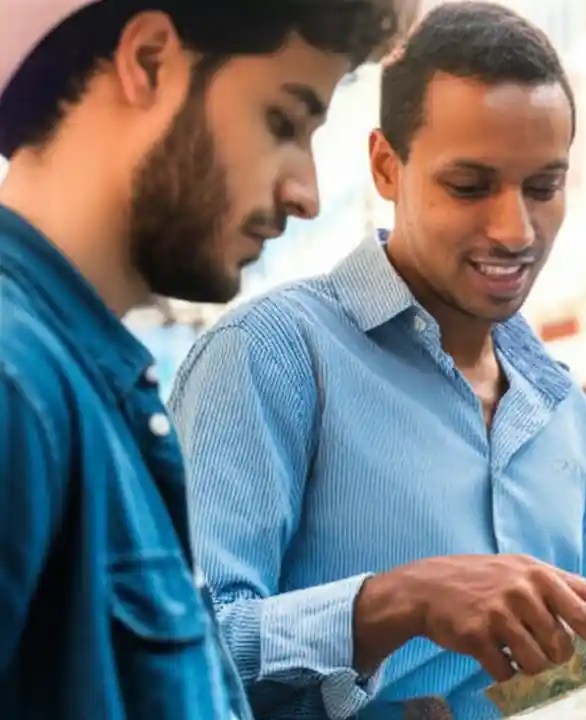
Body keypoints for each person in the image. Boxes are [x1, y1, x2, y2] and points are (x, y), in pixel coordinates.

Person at [167, 3, 586, 718]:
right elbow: (173, 653)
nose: (515, 230)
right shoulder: (269, 357)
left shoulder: (559, 405)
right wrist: (395, 602)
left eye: (543, 187)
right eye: (470, 186)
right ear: (387, 167)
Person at [0, 1, 397, 718]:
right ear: (150, 62)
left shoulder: (88, 385)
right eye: (282, 121)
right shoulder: (16, 381)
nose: (304, 193)